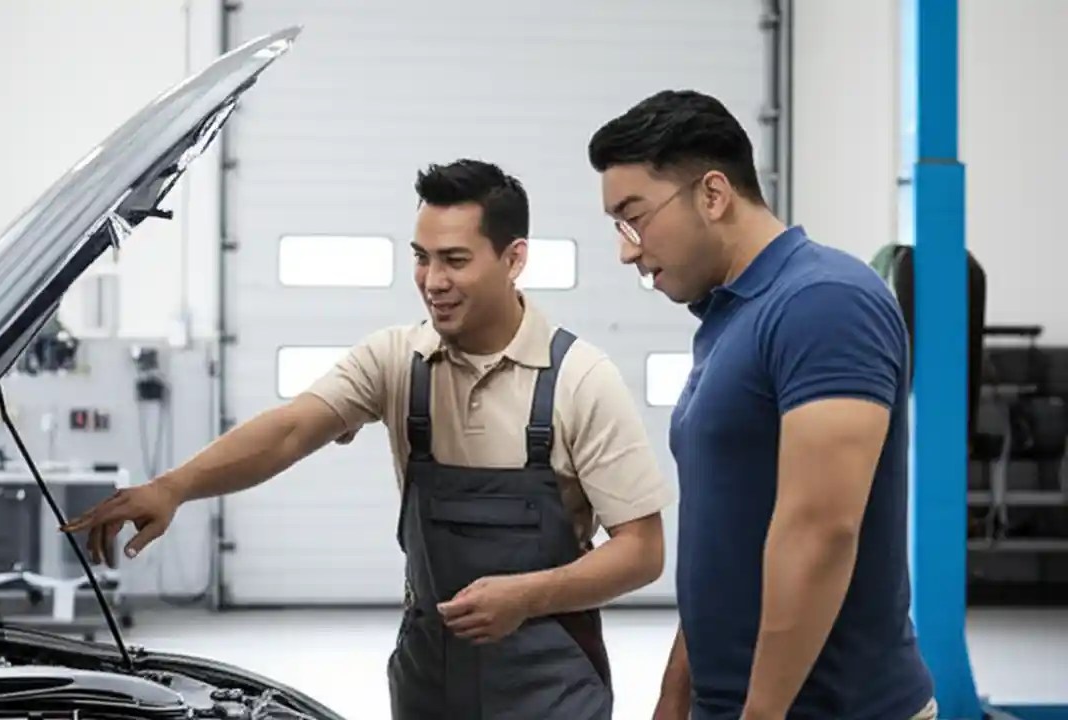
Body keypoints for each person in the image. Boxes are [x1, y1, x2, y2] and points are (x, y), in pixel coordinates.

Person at [63, 158, 676, 719]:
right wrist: (174, 487)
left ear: (514, 259)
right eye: (421, 257)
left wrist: (527, 596)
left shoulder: (581, 380)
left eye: (455, 260)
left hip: (551, 692)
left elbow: (642, 551)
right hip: (427, 685)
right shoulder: (395, 360)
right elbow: (290, 429)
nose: (432, 280)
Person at [585, 90, 938, 720]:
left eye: (634, 217)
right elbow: (730, 533)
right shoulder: (731, 317)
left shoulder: (825, 302)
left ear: (713, 195)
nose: (627, 249)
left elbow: (822, 530)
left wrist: (761, 714)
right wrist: (677, 695)